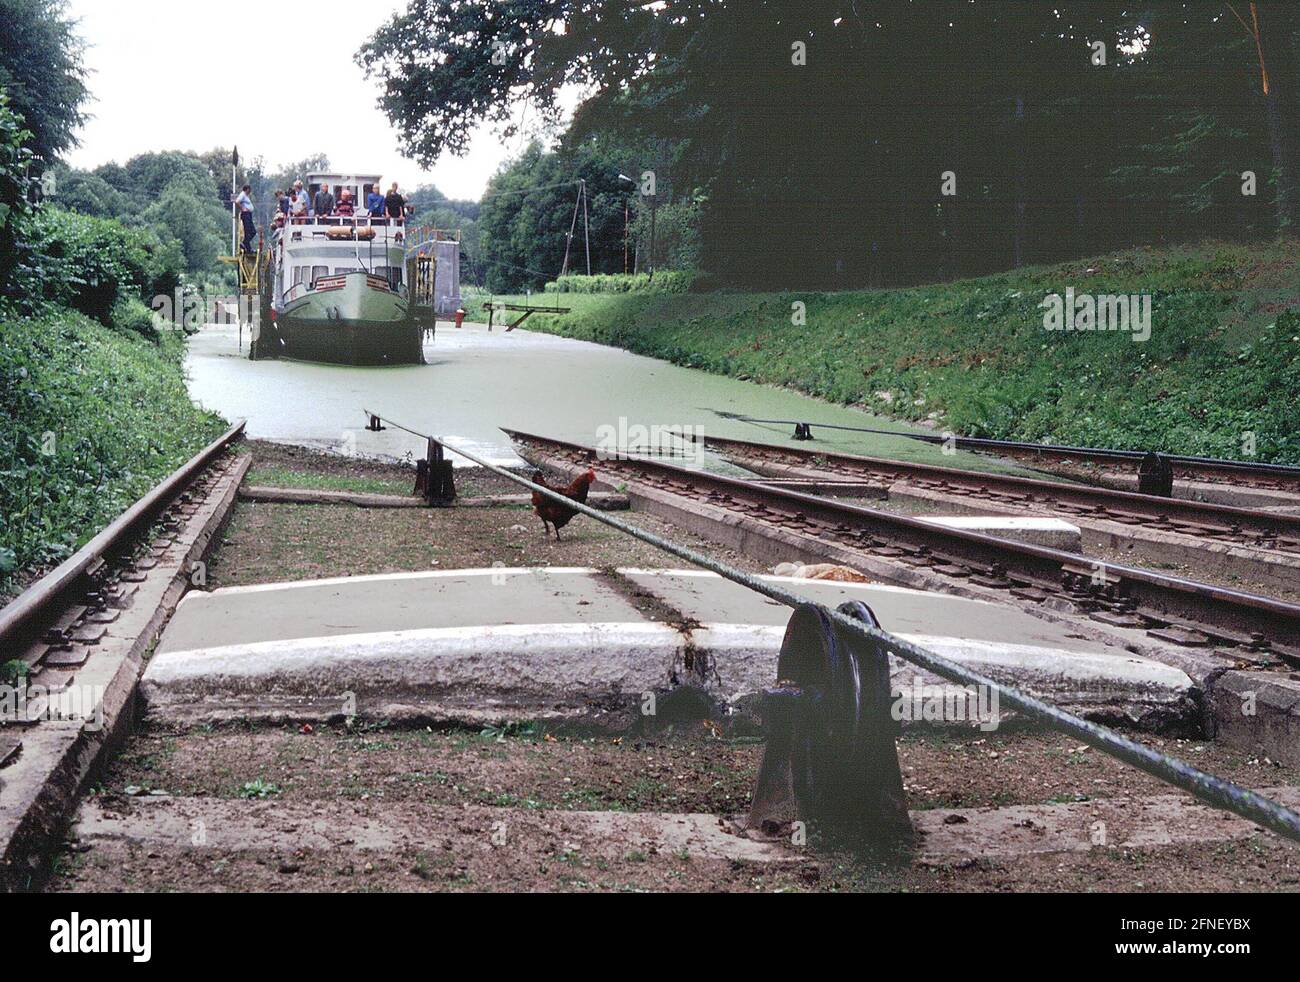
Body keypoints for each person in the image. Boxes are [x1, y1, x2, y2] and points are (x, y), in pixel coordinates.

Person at [235, 183, 255, 252]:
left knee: (253, 231)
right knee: (248, 231)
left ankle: (244, 243)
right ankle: (248, 248)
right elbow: (237, 202)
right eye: (250, 190)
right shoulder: (242, 194)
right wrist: (242, 208)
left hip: (249, 214)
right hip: (245, 214)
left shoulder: (246, 196)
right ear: (247, 189)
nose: (250, 192)